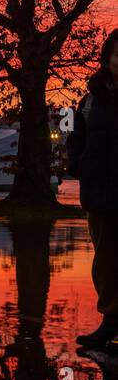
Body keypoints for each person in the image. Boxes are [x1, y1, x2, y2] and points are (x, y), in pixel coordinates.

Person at [70, 29, 118, 350]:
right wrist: (80, 166)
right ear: (108, 59)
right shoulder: (89, 100)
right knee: (105, 261)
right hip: (100, 194)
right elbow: (75, 137)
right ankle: (110, 321)